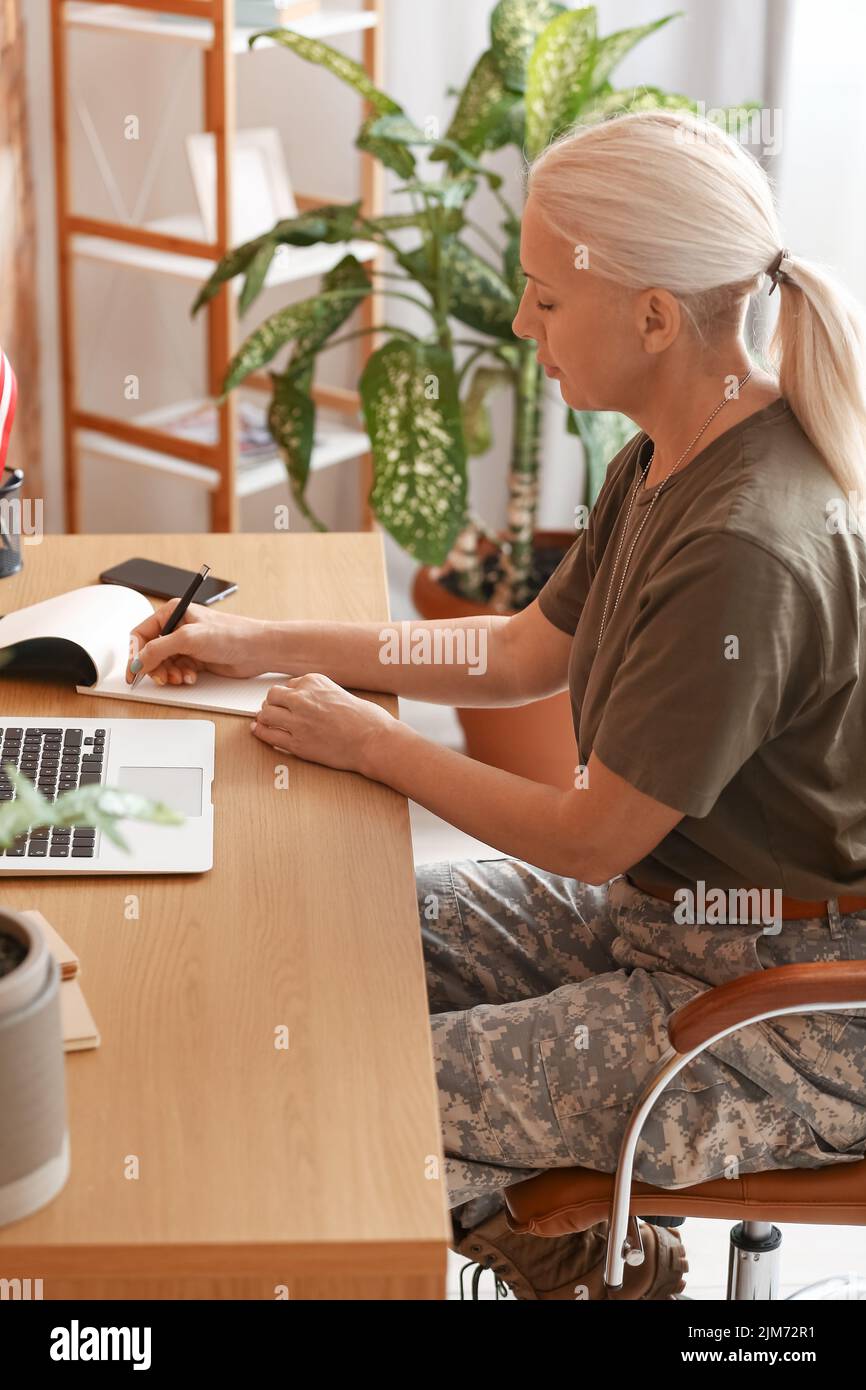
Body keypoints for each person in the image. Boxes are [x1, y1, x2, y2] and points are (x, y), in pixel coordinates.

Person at [126, 109, 866, 1300]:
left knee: (345, 1093)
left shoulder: (745, 544)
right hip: (662, 919)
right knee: (334, 932)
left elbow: (588, 837)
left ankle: (594, 1266)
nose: (520, 323)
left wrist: (371, 741)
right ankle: (586, 1258)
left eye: (542, 296)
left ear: (652, 316)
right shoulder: (668, 452)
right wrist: (252, 642)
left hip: (774, 1007)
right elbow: (519, 652)